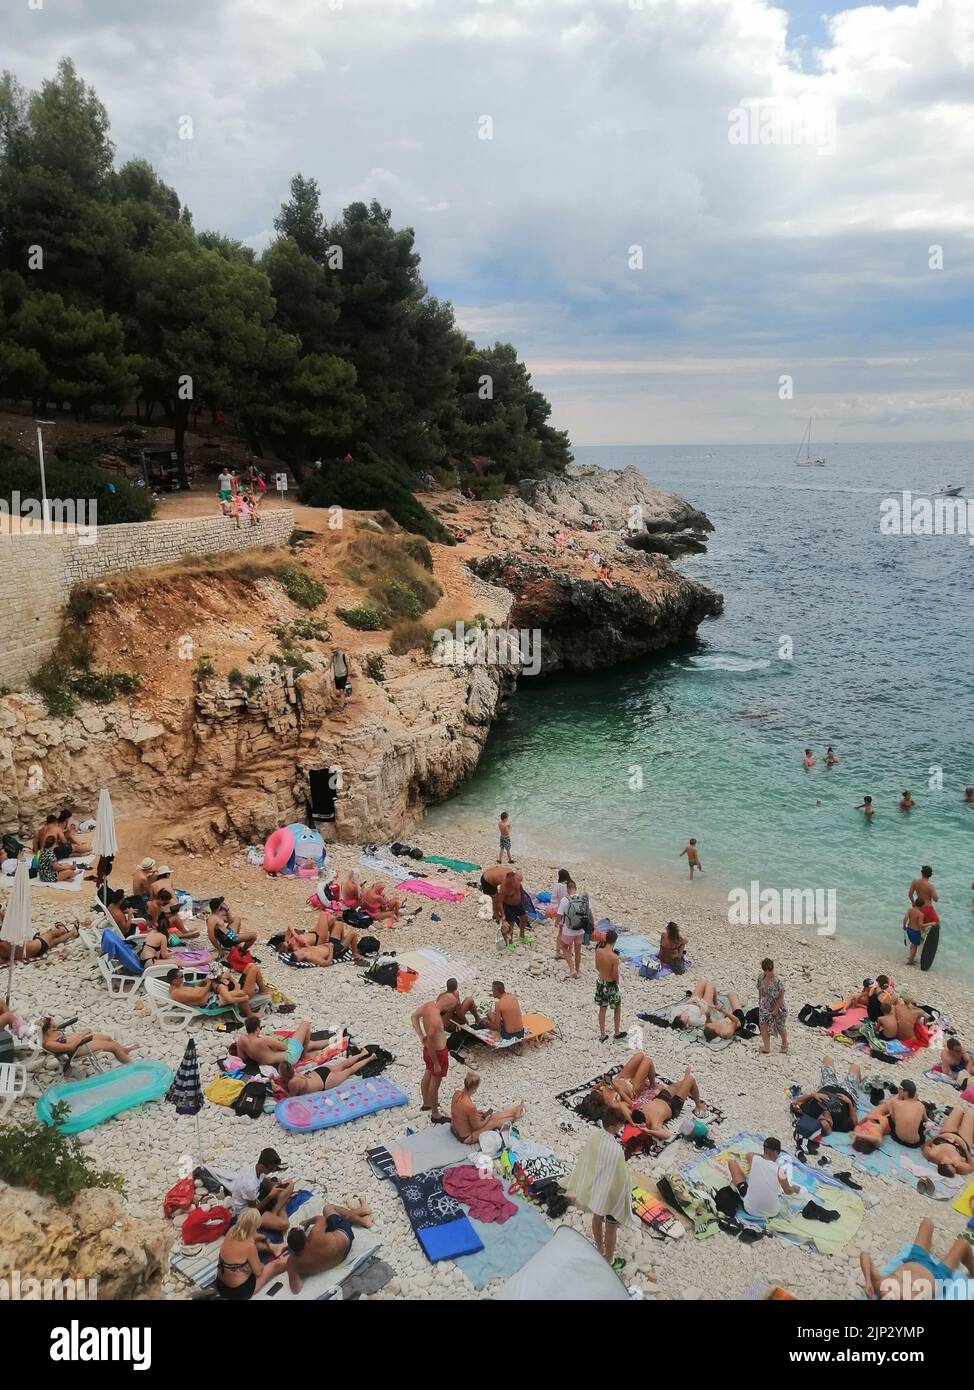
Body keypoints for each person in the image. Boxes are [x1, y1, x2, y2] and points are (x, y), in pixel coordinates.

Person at [566, 1097, 633, 1269]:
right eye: (619, 1125)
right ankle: (609, 1260)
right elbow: (621, 1178)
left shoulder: (595, 1136)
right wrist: (623, 1199)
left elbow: (587, 1161)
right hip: (610, 1193)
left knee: (597, 1217)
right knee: (611, 1228)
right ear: (613, 1126)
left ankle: (599, 1248)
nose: (620, 1128)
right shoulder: (616, 1150)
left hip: (597, 1189)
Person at [861, 1216, 974, 1301]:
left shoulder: (879, 1285)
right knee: (962, 1243)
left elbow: (864, 1255)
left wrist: (868, 1280)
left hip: (915, 1259)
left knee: (927, 1222)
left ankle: (929, 1250)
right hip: (937, 1276)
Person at [285, 1202, 373, 1293]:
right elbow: (321, 1219)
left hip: (340, 1258)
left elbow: (296, 1289)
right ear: (305, 1238)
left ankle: (361, 1211)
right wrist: (307, 1222)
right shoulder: (315, 1235)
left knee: (334, 1221)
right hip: (345, 1236)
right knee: (328, 1208)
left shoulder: (292, 1263)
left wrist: (294, 1270)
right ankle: (363, 1220)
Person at [215, 1207, 287, 1301]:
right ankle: (288, 1258)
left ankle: (274, 1248)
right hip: (239, 1291)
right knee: (275, 1265)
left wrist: (262, 1237)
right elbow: (258, 1271)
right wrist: (260, 1264)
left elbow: (250, 1236)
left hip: (221, 1285)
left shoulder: (232, 1230)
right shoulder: (249, 1246)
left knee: (253, 1246)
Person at [727, 1138, 801, 1220]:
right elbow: (788, 1191)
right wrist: (794, 1188)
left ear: (764, 1149)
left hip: (750, 1209)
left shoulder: (754, 1158)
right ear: (775, 1152)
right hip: (772, 1213)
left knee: (732, 1163)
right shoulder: (780, 1171)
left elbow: (748, 1155)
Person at [790, 1057, 866, 1134]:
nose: (826, 1117)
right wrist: (849, 1103)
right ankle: (858, 1085)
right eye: (828, 1122)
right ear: (832, 1126)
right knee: (855, 1067)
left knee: (827, 1059)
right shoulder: (840, 1124)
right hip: (848, 1092)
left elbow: (798, 1101)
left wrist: (813, 1095)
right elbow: (854, 1123)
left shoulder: (812, 1113)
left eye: (822, 1119)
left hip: (827, 1086)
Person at [450, 1071, 524, 1144]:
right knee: (493, 1122)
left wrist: (477, 1113)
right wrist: (487, 1118)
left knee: (490, 1116)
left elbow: (461, 1112)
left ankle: (515, 1111)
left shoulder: (457, 1093)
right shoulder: (471, 1106)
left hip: (454, 1129)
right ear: (474, 1088)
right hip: (466, 1137)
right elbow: (477, 1126)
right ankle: (514, 1116)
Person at [636, 1067, 707, 1141]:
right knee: (691, 1080)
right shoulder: (654, 1125)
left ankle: (685, 1082)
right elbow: (666, 1135)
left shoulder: (637, 1115)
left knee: (681, 1084)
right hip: (673, 1106)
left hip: (661, 1097)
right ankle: (698, 1105)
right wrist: (648, 1131)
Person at [40, 1016, 137, 1065]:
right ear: (47, 1030)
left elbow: (58, 1031)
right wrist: (82, 1034)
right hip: (77, 1049)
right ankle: (131, 1065)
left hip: (76, 1040)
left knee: (108, 1038)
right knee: (113, 1047)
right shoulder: (49, 1044)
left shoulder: (48, 1032)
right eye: (52, 1026)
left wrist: (78, 1035)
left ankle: (124, 1050)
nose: (54, 1027)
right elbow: (70, 1047)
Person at [412, 998, 449, 1120]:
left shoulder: (428, 1006)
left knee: (427, 1073)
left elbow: (414, 1017)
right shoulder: (436, 1021)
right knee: (435, 1083)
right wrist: (437, 1063)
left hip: (428, 1050)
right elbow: (432, 1045)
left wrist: (422, 1036)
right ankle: (435, 1114)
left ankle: (426, 1103)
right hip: (437, 1053)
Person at [277, 1052, 376, 1095]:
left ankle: (371, 1058)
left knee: (349, 1071)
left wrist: (280, 1089)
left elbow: (291, 1097)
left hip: (325, 1081)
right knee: (344, 1064)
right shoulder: (294, 1072)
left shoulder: (292, 1083)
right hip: (321, 1071)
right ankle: (363, 1054)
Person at [236, 1017, 314, 1068]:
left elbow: (242, 1057)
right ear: (257, 1029)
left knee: (309, 1043)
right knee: (305, 1024)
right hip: (290, 1057)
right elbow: (285, 1047)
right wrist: (276, 1041)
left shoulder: (241, 1040)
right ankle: (304, 1055)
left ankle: (320, 1044)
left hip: (267, 1060)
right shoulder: (264, 1040)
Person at [230, 1147, 288, 1215]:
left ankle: (277, 1208)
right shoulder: (250, 1185)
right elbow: (253, 1210)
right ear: (262, 1167)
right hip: (244, 1213)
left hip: (254, 1198)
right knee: (283, 1224)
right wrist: (270, 1196)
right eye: (270, 1169)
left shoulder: (255, 1167)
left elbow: (263, 1179)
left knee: (288, 1183)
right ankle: (276, 1211)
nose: (272, 1171)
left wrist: (275, 1184)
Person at [921, 1107, 974, 1177]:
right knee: (970, 1113)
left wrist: (937, 1137)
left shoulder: (931, 1155)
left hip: (946, 1133)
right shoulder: (959, 1166)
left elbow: (925, 1145)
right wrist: (965, 1149)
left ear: (942, 1163)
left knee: (958, 1109)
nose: (955, 1165)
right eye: (955, 1168)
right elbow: (972, 1166)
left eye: (952, 1165)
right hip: (964, 1140)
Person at [558, 877, 592, 978]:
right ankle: (577, 970)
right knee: (578, 951)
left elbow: (559, 914)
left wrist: (557, 924)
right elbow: (589, 913)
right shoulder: (583, 899)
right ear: (576, 888)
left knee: (564, 946)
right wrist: (591, 927)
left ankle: (572, 969)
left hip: (569, 930)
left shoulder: (565, 899)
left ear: (567, 889)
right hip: (580, 929)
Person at [595, 930, 625, 1042]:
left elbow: (597, 967)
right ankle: (617, 1032)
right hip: (610, 985)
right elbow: (615, 974)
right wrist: (617, 981)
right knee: (617, 1007)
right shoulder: (614, 958)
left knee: (602, 1008)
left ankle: (602, 1035)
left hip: (600, 982)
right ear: (615, 941)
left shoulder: (598, 951)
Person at [0, 921, 78, 962]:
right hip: (39, 944)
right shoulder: (6, 941)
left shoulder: (2, 949)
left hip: (36, 952)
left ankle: (71, 933)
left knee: (54, 941)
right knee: (50, 934)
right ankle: (63, 930)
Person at [757, 958, 788, 1054]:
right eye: (766, 969)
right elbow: (760, 990)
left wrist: (776, 1009)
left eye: (770, 969)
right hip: (765, 1005)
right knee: (763, 1024)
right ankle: (766, 1046)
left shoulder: (777, 982)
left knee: (779, 1026)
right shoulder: (760, 978)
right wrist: (759, 1000)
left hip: (777, 1006)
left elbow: (781, 997)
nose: (768, 972)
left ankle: (784, 1042)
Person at [498, 869, 529, 948]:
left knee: (524, 917)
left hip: (518, 904)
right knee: (511, 925)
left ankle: (521, 935)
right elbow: (500, 903)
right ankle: (510, 942)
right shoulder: (504, 887)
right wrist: (503, 915)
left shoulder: (517, 881)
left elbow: (521, 889)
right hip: (508, 906)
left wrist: (522, 896)